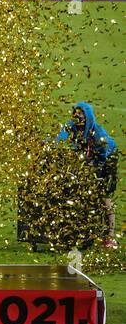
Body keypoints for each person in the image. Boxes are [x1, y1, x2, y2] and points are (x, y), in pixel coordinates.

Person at [56, 102, 119, 247]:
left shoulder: (98, 135)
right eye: (76, 112)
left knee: (104, 195)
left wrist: (92, 171)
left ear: (87, 116)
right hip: (90, 157)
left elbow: (101, 157)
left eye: (81, 113)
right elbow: (59, 139)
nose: (77, 115)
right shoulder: (72, 126)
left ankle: (110, 236)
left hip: (107, 159)